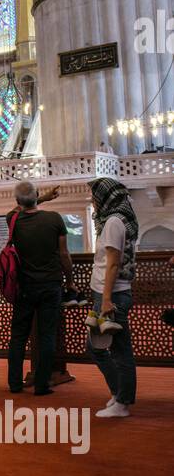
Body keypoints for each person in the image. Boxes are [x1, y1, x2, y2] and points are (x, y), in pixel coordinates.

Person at [6, 180, 75, 397]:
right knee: (47, 335)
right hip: (50, 284)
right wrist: (70, 280)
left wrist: (38, 197)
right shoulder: (54, 219)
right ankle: (42, 385)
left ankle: (15, 383)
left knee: (18, 336)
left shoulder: (13, 220)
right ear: (35, 194)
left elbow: (18, 208)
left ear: (17, 200)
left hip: (24, 286)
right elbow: (64, 255)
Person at [86, 178, 139, 418]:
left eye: (95, 196)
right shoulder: (115, 220)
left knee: (118, 349)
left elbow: (113, 263)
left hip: (113, 294)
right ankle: (119, 395)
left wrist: (106, 300)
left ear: (105, 198)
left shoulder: (114, 222)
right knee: (99, 347)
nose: (93, 201)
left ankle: (122, 401)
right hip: (109, 293)